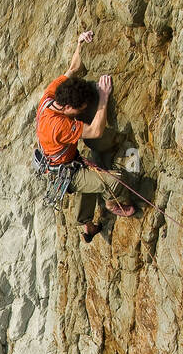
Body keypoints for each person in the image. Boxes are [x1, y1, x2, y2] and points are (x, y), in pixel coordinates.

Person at [35, 30, 136, 240]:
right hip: (66, 172)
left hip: (63, 163)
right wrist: (103, 98)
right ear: (67, 108)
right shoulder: (58, 126)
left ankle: (87, 226)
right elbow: (96, 131)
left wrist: (80, 44)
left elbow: (72, 69)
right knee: (115, 181)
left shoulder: (50, 97)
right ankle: (111, 203)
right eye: (78, 110)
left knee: (88, 173)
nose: (80, 112)